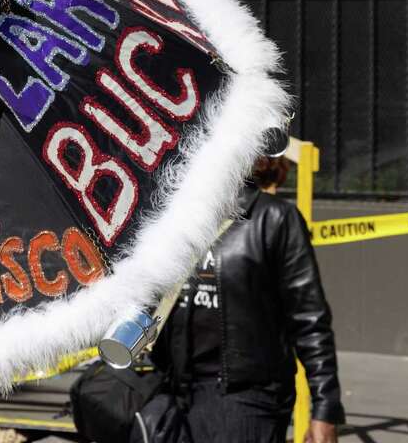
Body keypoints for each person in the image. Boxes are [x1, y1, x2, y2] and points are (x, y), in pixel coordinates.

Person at [147, 156, 345, 443]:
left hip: (248, 400)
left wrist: (325, 409)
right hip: (176, 392)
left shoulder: (274, 219)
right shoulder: (177, 221)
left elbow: (310, 321)